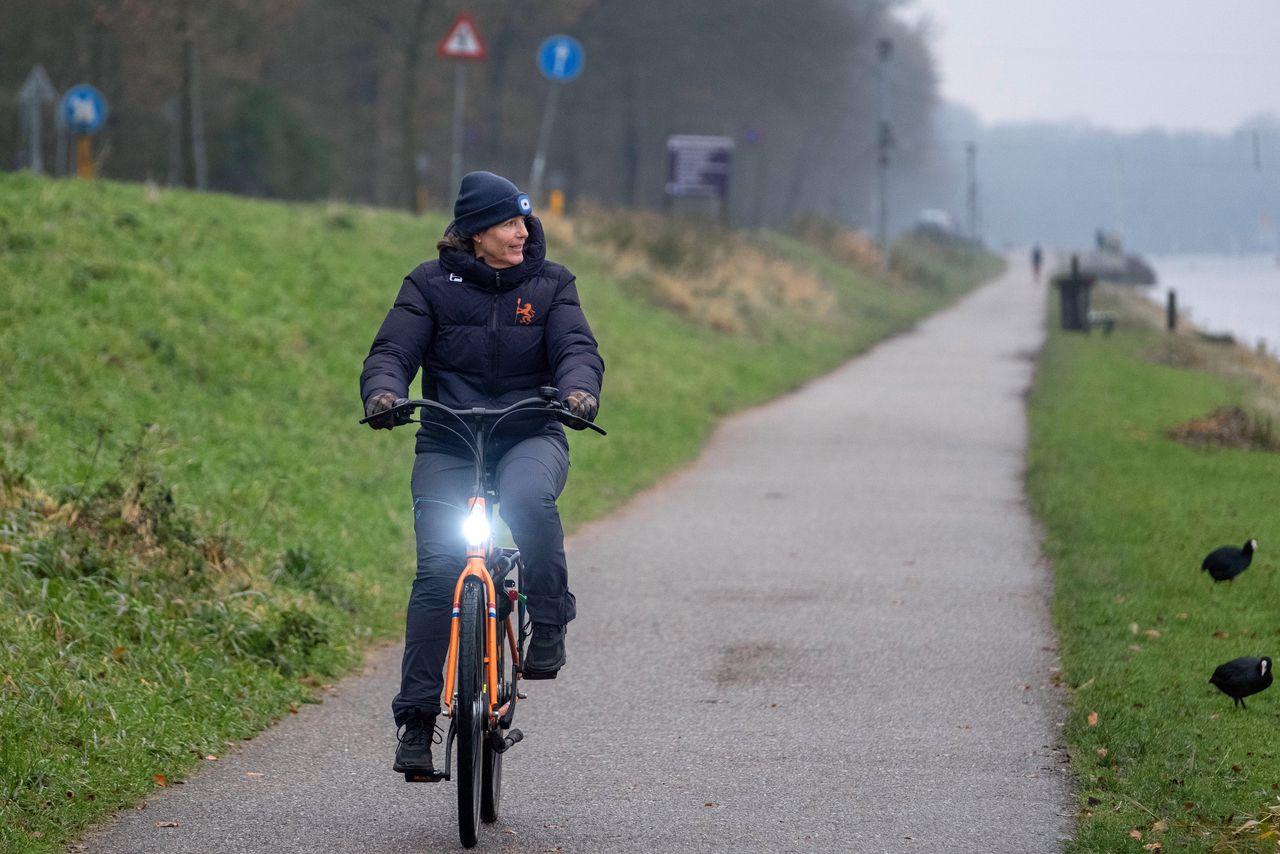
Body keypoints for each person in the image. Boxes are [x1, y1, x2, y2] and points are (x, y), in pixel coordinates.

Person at [360, 171, 604, 777]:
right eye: (509, 223)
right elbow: (392, 350)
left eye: (524, 221)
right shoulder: (428, 284)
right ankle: (418, 722)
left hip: (530, 432)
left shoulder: (552, 285)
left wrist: (578, 392)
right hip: (449, 438)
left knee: (528, 501)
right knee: (438, 570)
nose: (524, 231)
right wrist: (384, 392)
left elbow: (577, 350)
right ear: (475, 233)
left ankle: (549, 619)